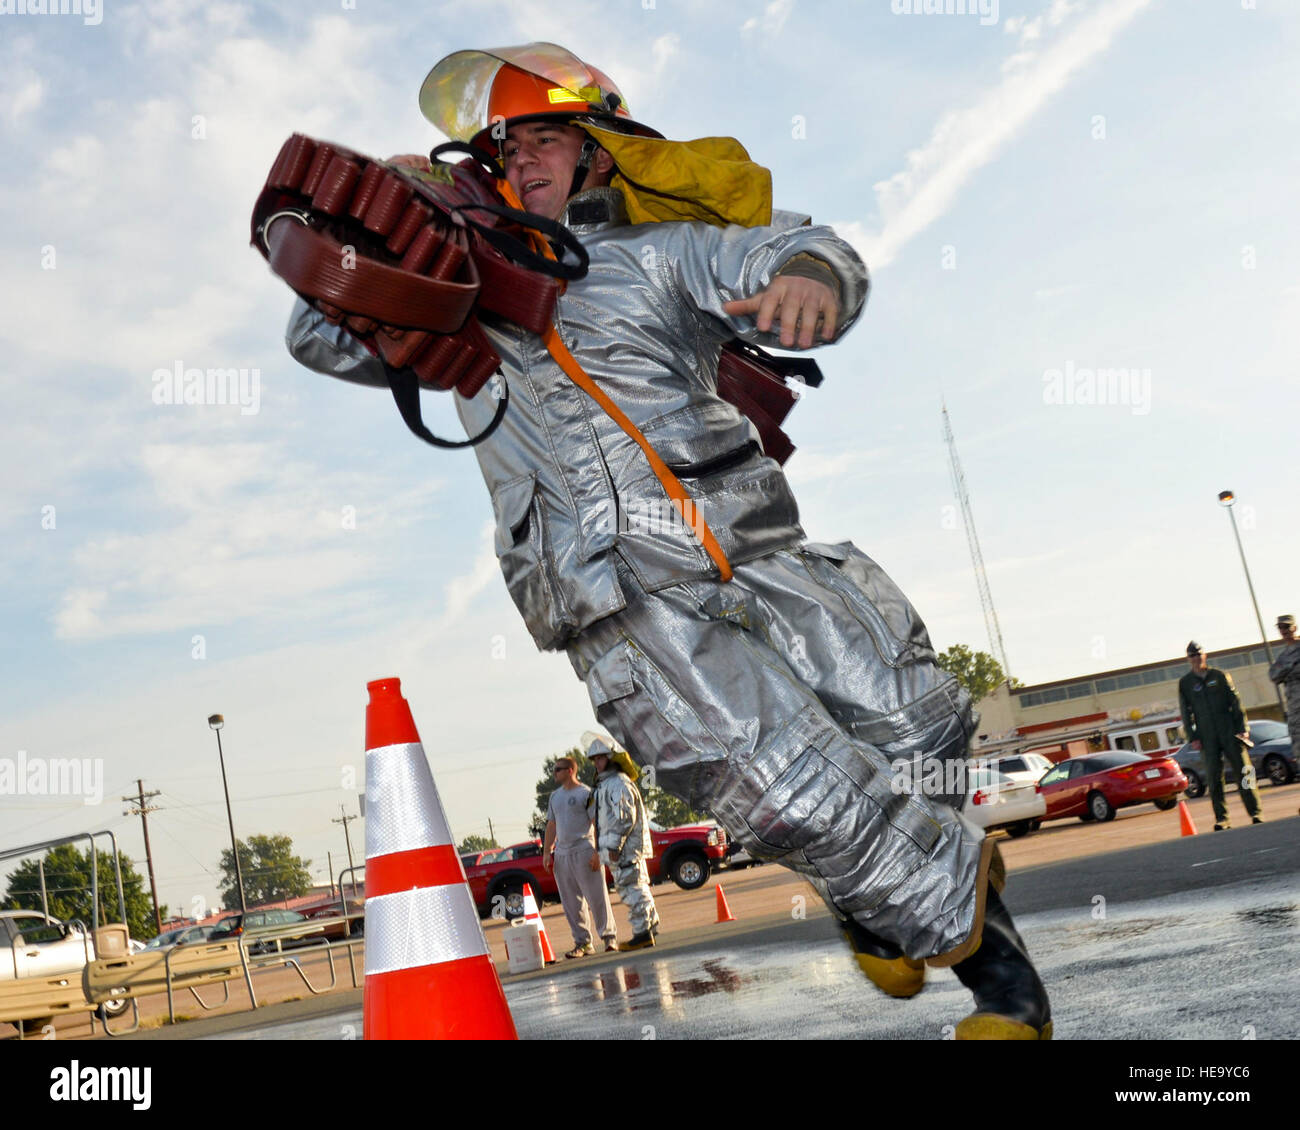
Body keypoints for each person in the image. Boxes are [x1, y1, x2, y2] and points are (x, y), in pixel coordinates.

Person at [285, 43, 1051, 1039]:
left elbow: (794, 248)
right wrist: (369, 231)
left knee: (909, 727)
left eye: (545, 139)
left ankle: (872, 900)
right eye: (503, 149)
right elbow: (320, 334)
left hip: (760, 553)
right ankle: (1007, 992)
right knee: (794, 789)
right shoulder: (456, 302)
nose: (522, 162)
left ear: (598, 150)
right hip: (624, 605)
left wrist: (811, 277)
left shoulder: (660, 253)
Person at [1178, 641, 1262, 830]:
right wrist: (1193, 737)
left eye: (1199, 654)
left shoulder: (1220, 676)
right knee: (1214, 778)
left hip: (1230, 731)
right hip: (1207, 736)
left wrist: (1242, 727)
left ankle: (1256, 812)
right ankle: (1222, 819)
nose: (1196, 658)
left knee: (1245, 773)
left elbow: (1236, 702)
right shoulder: (1186, 683)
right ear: (1188, 659)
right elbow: (1186, 712)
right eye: (1192, 655)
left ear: (1204, 655)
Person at [586, 735, 659, 951]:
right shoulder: (608, 784)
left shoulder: (617, 783)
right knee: (637, 886)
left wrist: (615, 847)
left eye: (600, 758)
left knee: (632, 889)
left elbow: (624, 817)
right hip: (623, 848)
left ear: (611, 759)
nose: (597, 763)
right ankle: (650, 927)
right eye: (595, 759)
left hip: (624, 849)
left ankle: (642, 933)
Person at [542, 754, 618, 957]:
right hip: (563, 853)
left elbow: (598, 823)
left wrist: (597, 852)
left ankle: (609, 938)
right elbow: (551, 825)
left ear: (570, 771)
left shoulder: (586, 793)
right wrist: (547, 851)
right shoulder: (555, 797)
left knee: (596, 896)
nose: (554, 773)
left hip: (584, 848)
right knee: (570, 902)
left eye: (558, 769)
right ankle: (583, 943)